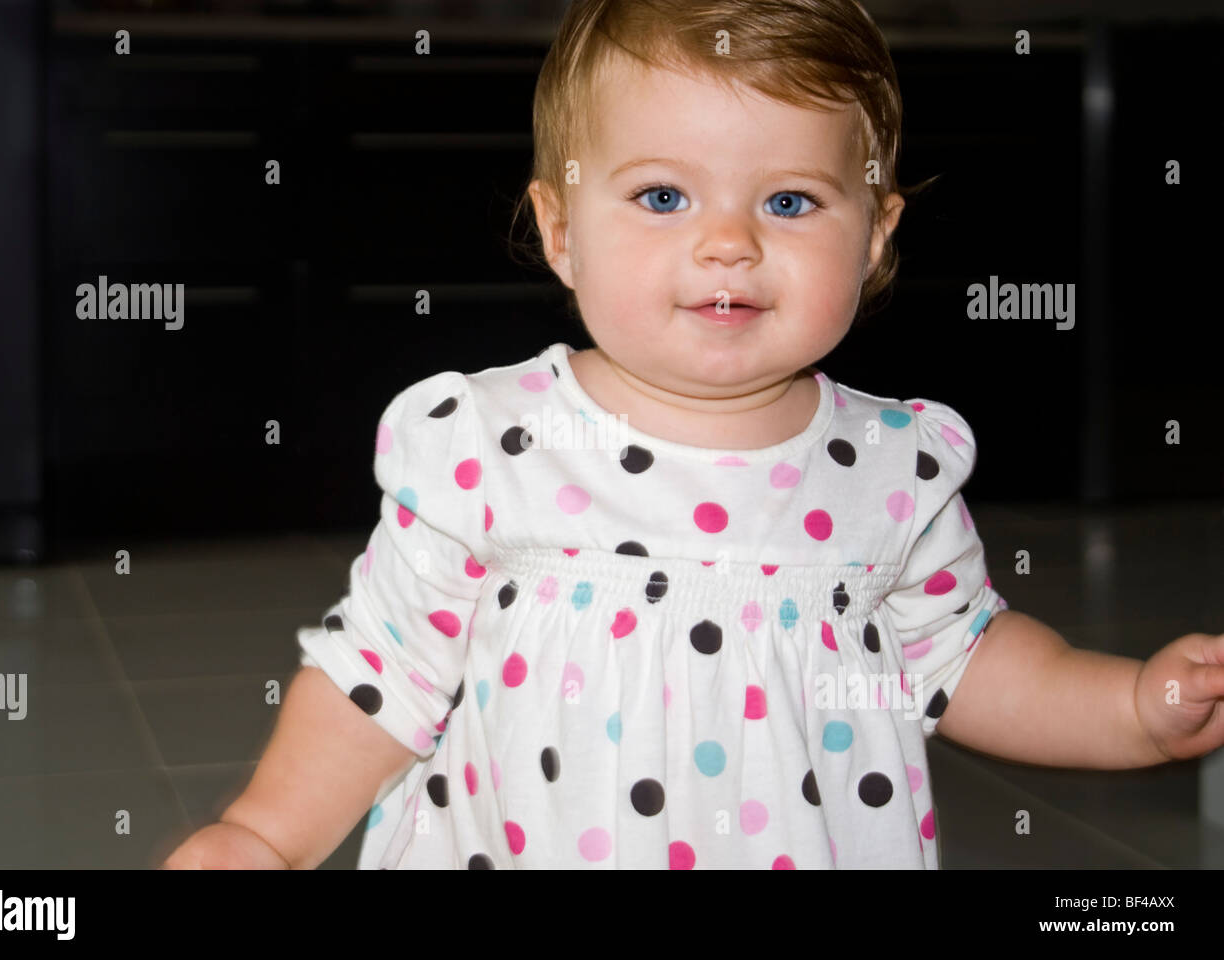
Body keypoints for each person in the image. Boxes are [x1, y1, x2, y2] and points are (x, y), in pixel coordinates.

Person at [162, 0, 1224, 869]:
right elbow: (377, 680)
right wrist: (265, 834)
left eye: (793, 202)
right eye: (663, 195)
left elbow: (969, 661)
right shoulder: (491, 445)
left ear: (875, 236)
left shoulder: (893, 474)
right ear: (562, 231)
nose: (726, 243)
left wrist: (1132, 709)